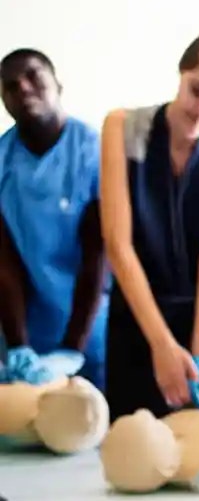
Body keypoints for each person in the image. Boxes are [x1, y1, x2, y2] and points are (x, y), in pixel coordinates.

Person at [100, 30, 199, 420]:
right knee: (137, 442)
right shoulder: (122, 127)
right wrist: (162, 345)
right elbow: (118, 245)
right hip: (141, 311)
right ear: (182, 70)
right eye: (197, 89)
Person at [0, 49, 109, 388]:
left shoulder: (95, 153)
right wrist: (19, 346)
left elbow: (98, 256)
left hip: (92, 330)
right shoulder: (3, 160)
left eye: (33, 77)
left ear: (58, 84)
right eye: (11, 86)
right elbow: (3, 262)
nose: (24, 89)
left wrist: (72, 350)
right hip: (29, 332)